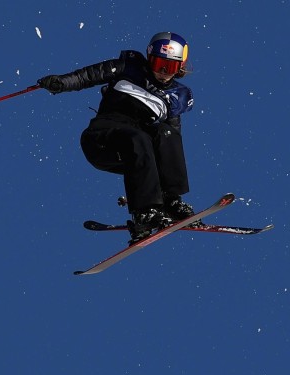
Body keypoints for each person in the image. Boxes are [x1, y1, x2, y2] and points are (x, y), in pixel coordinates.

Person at [38, 32, 195, 243]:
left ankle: (171, 201)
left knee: (165, 133)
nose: (163, 72)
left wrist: (162, 183)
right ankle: (144, 212)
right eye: (158, 64)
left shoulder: (178, 96)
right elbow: (88, 75)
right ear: (149, 58)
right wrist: (61, 83)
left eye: (171, 67)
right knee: (138, 138)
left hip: (137, 149)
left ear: (181, 68)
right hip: (102, 139)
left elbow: (170, 146)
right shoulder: (128, 68)